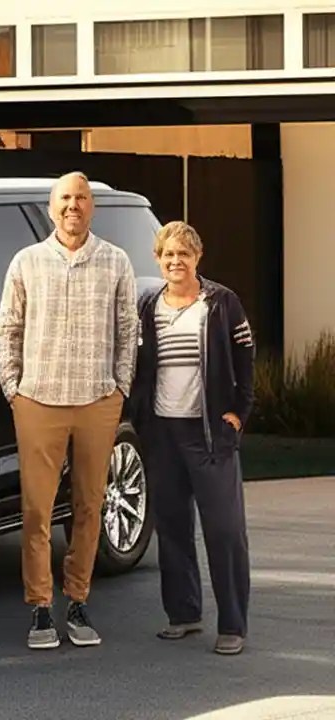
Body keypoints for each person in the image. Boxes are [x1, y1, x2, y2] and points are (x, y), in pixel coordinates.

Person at [0, 171, 139, 650]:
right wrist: (14, 388)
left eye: (81, 198)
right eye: (64, 199)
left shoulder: (116, 261)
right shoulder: (27, 262)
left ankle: (77, 600)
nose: (73, 206)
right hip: (38, 399)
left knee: (89, 506)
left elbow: (127, 329)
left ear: (91, 206)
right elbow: (8, 329)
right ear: (50, 207)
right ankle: (40, 608)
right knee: (36, 510)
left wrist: (119, 388)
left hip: (98, 400)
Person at [131, 221, 255, 656]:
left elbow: (245, 359)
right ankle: (183, 615)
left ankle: (233, 624)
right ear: (158, 260)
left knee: (223, 530)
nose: (175, 262)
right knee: (172, 526)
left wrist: (238, 415)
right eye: (168, 255)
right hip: (164, 432)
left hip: (209, 434)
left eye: (183, 254)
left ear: (197, 258)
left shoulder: (221, 303)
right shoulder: (149, 308)